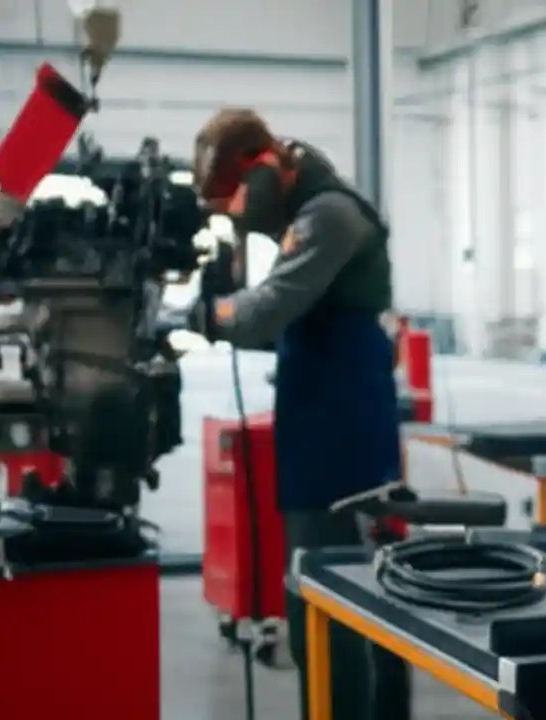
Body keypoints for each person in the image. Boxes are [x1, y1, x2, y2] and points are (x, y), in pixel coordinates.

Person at [188, 108, 410, 720]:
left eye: (233, 197)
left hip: (342, 432)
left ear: (262, 168)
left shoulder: (329, 215)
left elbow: (264, 312)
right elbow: (275, 320)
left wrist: (211, 315)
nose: (236, 212)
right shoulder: (304, 212)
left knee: (337, 600)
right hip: (317, 418)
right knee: (322, 594)